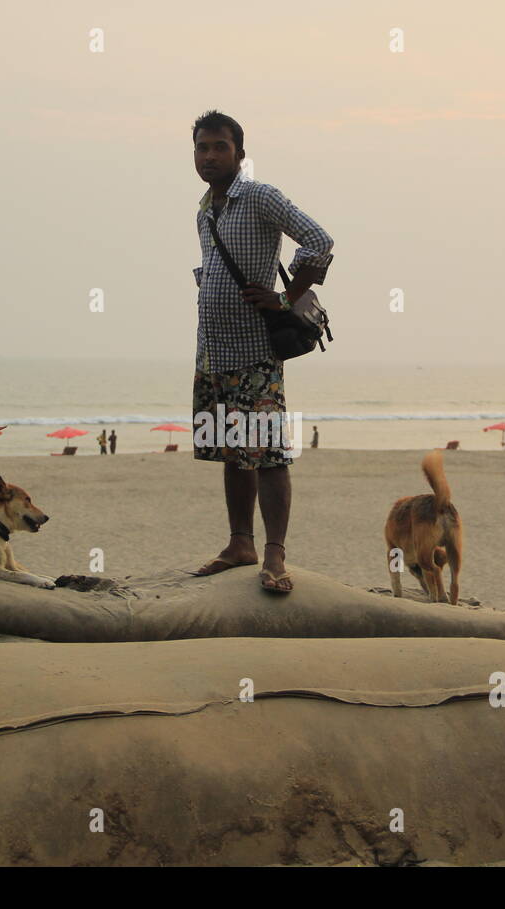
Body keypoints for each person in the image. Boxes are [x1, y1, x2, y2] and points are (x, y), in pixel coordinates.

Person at [188, 110, 334, 594]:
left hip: (254, 350)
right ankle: (239, 544)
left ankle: (274, 554)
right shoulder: (206, 208)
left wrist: (286, 298)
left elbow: (318, 239)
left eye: (219, 147)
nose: (209, 156)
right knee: (234, 451)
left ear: (239, 154)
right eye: (202, 147)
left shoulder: (258, 195)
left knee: (269, 453)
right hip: (213, 352)